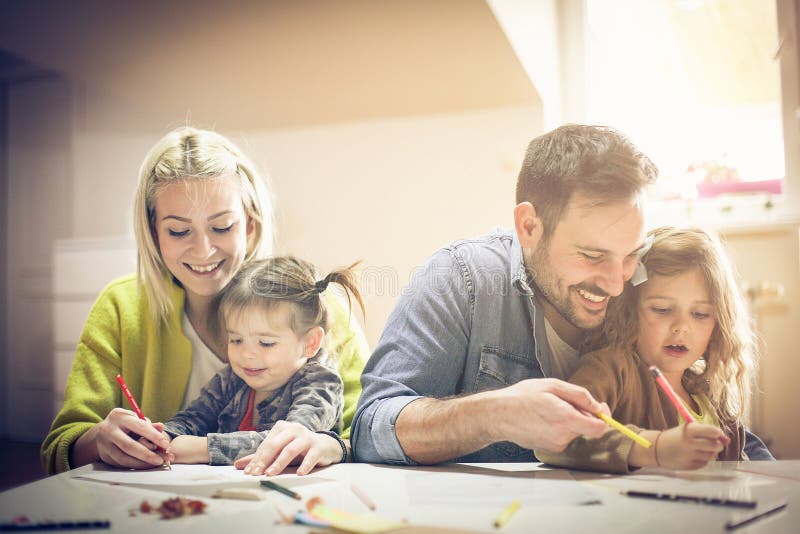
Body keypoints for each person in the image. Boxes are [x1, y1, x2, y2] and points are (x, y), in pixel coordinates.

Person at [41, 127, 369, 475]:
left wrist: (331, 444)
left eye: (223, 227)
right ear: (154, 235)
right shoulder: (120, 307)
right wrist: (99, 441)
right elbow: (60, 446)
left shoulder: (314, 304)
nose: (203, 251)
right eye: (179, 231)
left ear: (250, 226)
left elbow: (372, 429)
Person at [352, 124, 656, 464]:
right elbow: (370, 428)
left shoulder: (649, 290)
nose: (617, 284)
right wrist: (495, 415)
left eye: (632, 254)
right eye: (592, 256)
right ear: (529, 226)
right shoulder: (459, 278)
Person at [536, 226, 766, 473]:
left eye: (700, 314)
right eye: (662, 310)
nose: (681, 327)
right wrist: (655, 449)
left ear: (718, 323)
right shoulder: (613, 370)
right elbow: (553, 436)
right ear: (628, 310)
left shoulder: (714, 397)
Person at [151, 256, 364, 474]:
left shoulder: (320, 382)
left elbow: (290, 442)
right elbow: (193, 418)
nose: (247, 354)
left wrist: (205, 448)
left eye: (266, 343)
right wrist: (162, 437)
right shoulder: (234, 377)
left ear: (310, 343)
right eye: (236, 340)